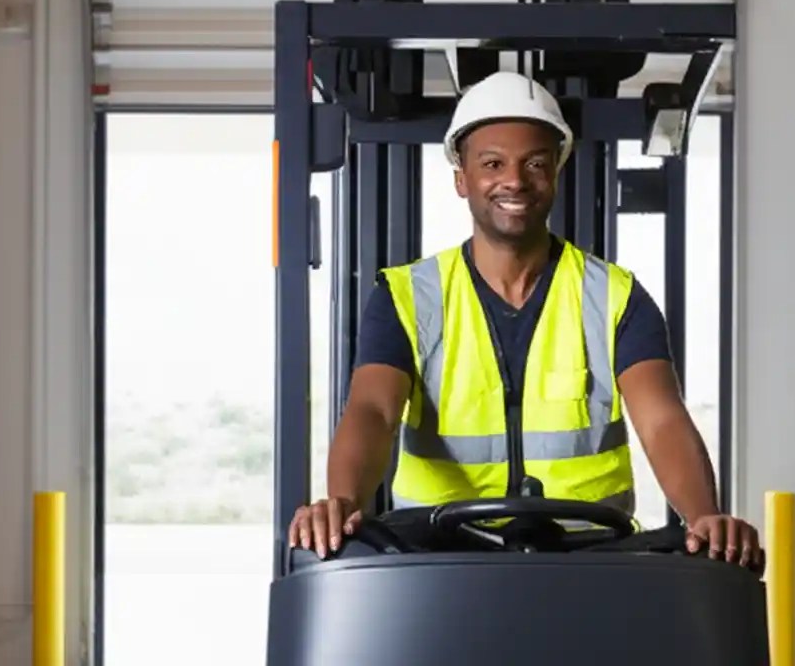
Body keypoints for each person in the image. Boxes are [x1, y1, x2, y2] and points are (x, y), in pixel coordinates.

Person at [288, 71, 761, 567]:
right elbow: (373, 411)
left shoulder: (614, 296)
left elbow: (662, 419)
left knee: (704, 555)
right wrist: (342, 503)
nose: (514, 180)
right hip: (439, 559)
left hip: (586, 555)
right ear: (461, 179)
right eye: (492, 164)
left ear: (555, 171)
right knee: (331, 550)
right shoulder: (408, 296)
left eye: (534, 163)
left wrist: (704, 516)